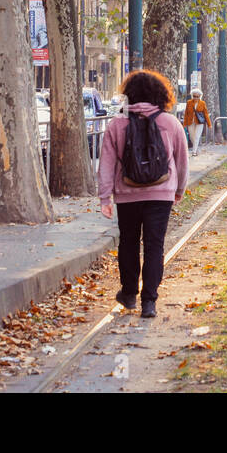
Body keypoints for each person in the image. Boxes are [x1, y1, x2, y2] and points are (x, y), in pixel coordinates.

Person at [98, 69, 189, 318]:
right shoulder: (170, 122)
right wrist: (178, 190)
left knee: (128, 242)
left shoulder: (117, 124)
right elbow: (182, 161)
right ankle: (149, 301)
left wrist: (105, 197)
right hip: (161, 193)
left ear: (130, 94)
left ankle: (129, 294)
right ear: (160, 94)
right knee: (154, 245)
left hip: (127, 194)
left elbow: (105, 163)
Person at [183, 88, 209, 158]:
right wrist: (184, 123)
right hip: (190, 122)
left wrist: (209, 124)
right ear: (192, 96)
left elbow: (206, 114)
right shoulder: (189, 102)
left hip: (199, 122)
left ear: (200, 96)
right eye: (194, 96)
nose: (196, 98)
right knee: (192, 137)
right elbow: (186, 113)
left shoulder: (202, 103)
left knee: (197, 136)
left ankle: (194, 152)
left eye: (197, 96)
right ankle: (196, 149)